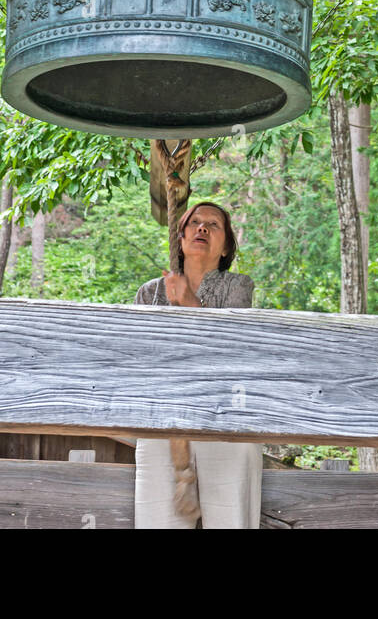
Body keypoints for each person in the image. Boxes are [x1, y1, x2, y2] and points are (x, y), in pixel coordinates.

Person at [132, 200, 262, 529]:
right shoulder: (150, 294)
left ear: (226, 247)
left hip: (225, 422)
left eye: (213, 225)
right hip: (161, 424)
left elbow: (231, 350)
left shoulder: (238, 287)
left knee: (230, 520)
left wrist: (188, 303)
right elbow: (139, 359)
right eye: (195, 222)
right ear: (180, 236)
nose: (202, 228)